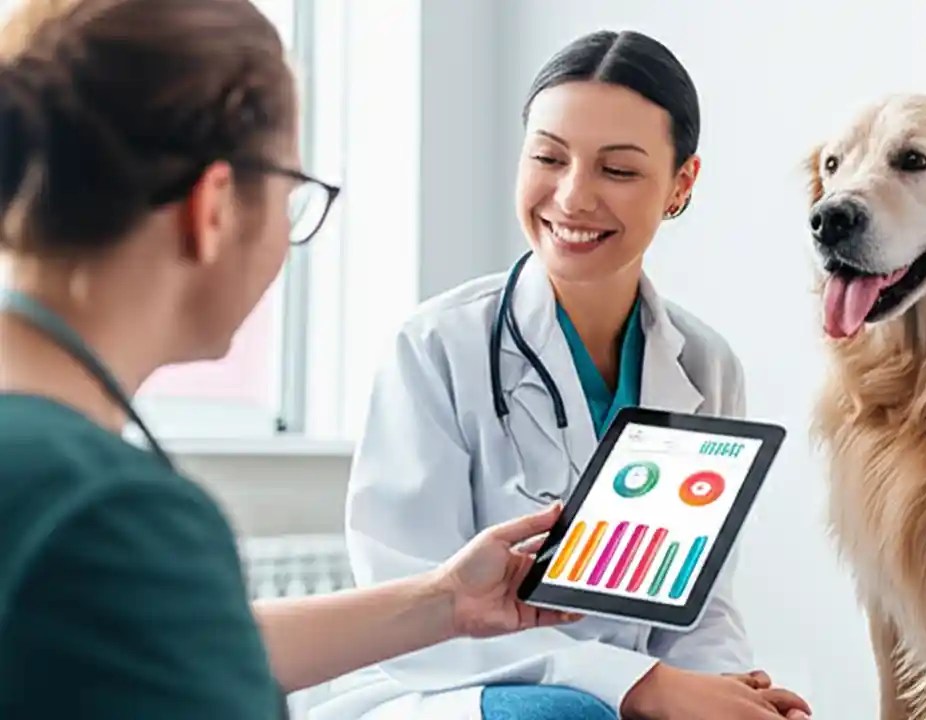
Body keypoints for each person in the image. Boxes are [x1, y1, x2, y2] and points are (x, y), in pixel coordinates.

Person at [0, 1, 580, 717]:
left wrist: (446, 601)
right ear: (214, 208)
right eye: (290, 193)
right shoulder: (108, 511)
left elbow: (163, 640)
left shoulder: (58, 495)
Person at [319, 29, 813, 720]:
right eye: (549, 157)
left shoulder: (704, 366)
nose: (573, 197)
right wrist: (639, 686)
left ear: (681, 184)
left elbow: (697, 611)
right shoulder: (436, 347)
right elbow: (412, 623)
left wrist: (730, 692)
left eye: (618, 170)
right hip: (445, 694)